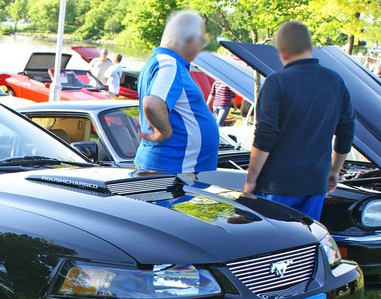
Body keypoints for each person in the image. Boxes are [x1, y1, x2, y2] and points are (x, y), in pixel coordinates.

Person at [243, 21, 354, 220]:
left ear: (282, 51)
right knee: (306, 242)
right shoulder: (335, 81)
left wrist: (251, 180)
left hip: (276, 183)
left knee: (275, 244)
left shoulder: (276, 82)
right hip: (315, 182)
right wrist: (335, 170)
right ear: (309, 48)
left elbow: (265, 135)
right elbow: (346, 130)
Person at [135, 11, 219, 175]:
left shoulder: (161, 62)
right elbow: (152, 104)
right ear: (188, 39)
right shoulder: (169, 64)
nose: (201, 46)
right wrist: (164, 132)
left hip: (170, 167)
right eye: (201, 40)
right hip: (172, 168)